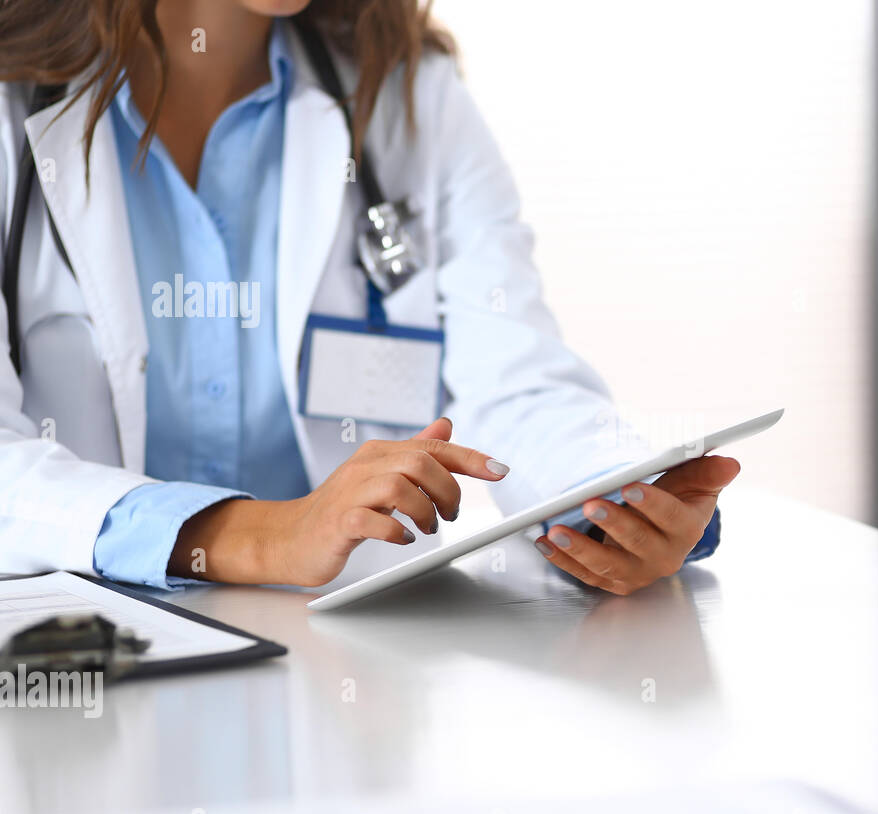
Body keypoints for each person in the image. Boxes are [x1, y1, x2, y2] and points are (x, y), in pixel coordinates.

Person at [0, 0, 740, 596]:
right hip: (89, 663)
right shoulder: (14, 99)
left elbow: (515, 379)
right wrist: (258, 536)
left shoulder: (410, 94)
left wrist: (613, 501)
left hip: (343, 668)